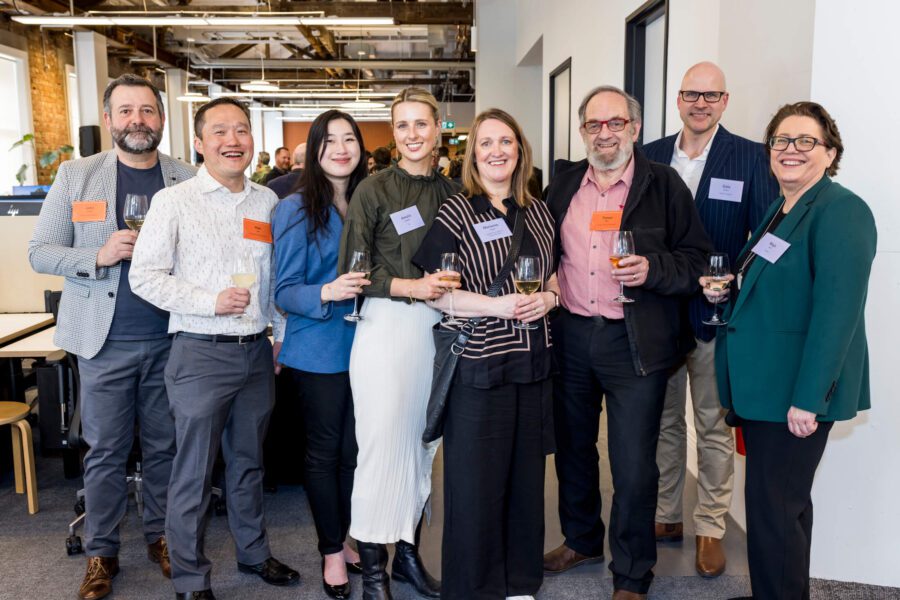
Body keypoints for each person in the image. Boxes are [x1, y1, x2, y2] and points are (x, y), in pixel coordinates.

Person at [29, 74, 195, 600]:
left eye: (147, 111)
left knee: (167, 448)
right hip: (104, 342)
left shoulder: (186, 178)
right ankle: (102, 552)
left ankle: (161, 538)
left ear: (162, 119)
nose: (137, 121)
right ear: (108, 120)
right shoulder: (76, 177)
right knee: (105, 451)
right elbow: (40, 252)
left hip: (171, 338)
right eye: (126, 112)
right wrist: (96, 256)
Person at [543, 85, 711, 600]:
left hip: (634, 341)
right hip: (571, 335)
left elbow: (698, 262)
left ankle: (634, 572)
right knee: (572, 450)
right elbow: (543, 248)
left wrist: (652, 268)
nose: (605, 134)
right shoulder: (564, 182)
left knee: (634, 463)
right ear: (582, 132)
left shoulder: (664, 186)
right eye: (594, 125)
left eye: (615, 123)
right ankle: (582, 539)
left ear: (635, 129)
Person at [130, 97, 300, 600]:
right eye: (220, 132)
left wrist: (278, 337)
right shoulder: (174, 202)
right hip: (200, 352)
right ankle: (189, 578)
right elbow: (144, 277)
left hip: (255, 354)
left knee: (249, 463)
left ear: (253, 141)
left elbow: (271, 281)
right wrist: (210, 301)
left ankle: (253, 554)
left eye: (242, 130)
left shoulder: (267, 202)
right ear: (200, 144)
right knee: (194, 472)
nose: (233, 140)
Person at [705, 102, 876, 600]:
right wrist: (730, 289)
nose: (791, 150)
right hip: (765, 391)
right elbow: (775, 286)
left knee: (775, 512)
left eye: (806, 141)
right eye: (781, 141)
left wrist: (810, 398)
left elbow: (836, 313)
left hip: (792, 396)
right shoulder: (784, 209)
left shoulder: (841, 210)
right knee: (782, 508)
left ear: (831, 153)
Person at [413, 108, 557, 600]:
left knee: (524, 481)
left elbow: (556, 276)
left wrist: (550, 298)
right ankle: (473, 588)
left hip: (533, 363)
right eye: (486, 143)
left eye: (506, 142)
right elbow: (437, 292)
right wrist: (496, 304)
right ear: (473, 153)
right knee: (475, 486)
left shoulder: (538, 211)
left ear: (520, 151)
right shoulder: (458, 210)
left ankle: (519, 582)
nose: (497, 151)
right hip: (478, 362)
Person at [642, 61, 779, 577]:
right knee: (663, 422)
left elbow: (765, 237)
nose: (700, 103)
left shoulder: (749, 157)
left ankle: (711, 528)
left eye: (711, 95)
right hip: (659, 312)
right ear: (678, 99)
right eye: (691, 94)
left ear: (725, 101)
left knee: (714, 425)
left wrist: (735, 280)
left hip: (715, 314)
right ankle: (667, 515)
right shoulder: (650, 155)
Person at [338, 87, 459, 600]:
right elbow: (354, 268)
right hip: (386, 329)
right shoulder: (373, 190)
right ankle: (372, 571)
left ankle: (407, 554)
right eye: (402, 125)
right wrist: (411, 286)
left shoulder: (456, 193)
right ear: (394, 134)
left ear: (437, 129)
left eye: (421, 124)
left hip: (436, 331)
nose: (412, 134)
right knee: (380, 449)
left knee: (419, 447)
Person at [272, 110, 369, 600]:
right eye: (328, 140)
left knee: (356, 453)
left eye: (349, 138)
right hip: (319, 348)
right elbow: (284, 290)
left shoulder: (370, 200)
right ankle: (331, 549)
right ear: (313, 149)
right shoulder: (294, 209)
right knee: (325, 453)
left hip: (370, 346)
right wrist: (327, 291)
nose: (340, 148)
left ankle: (346, 534)